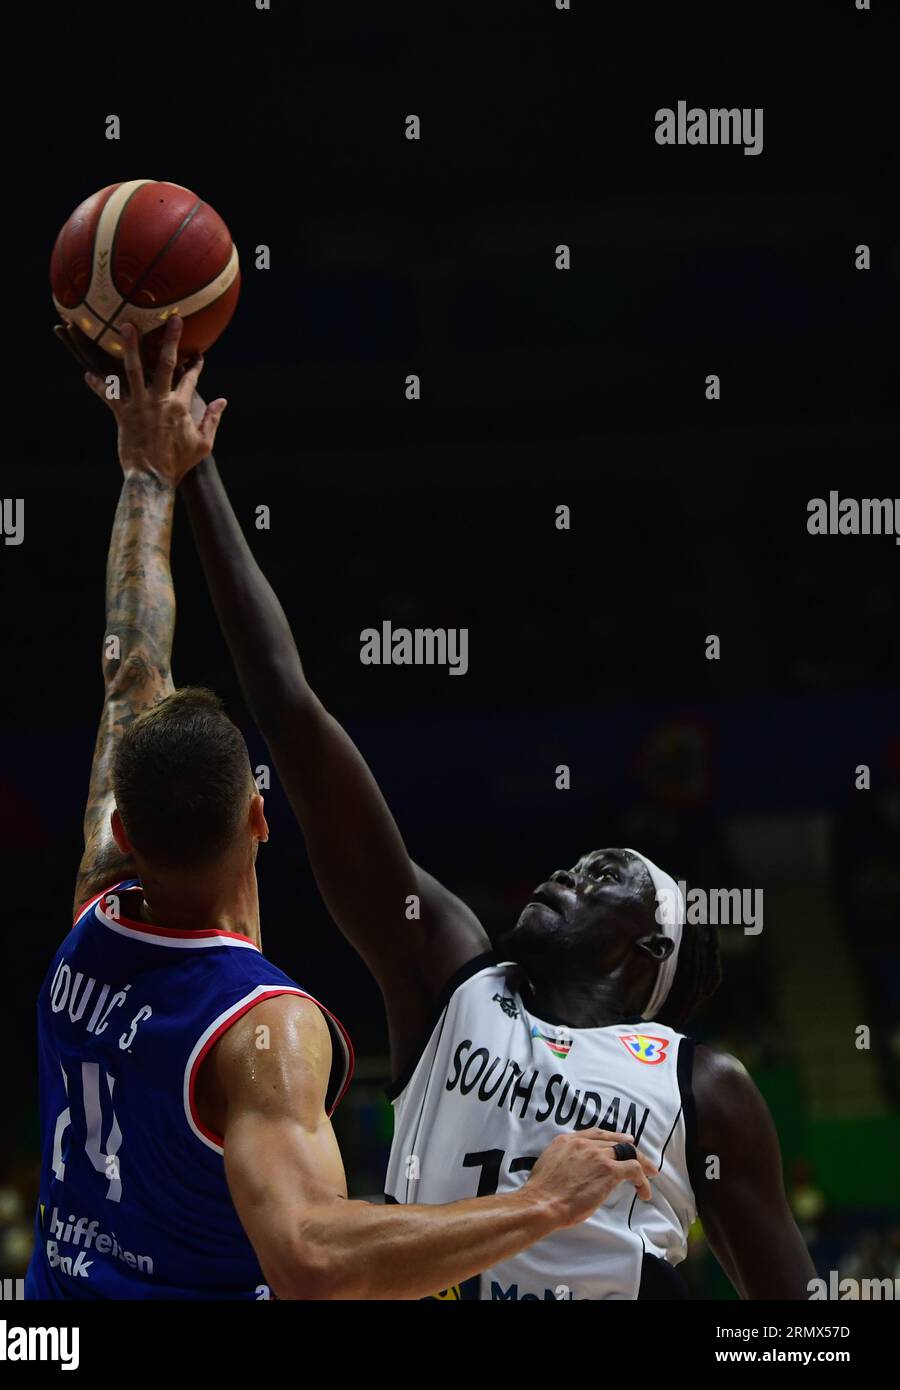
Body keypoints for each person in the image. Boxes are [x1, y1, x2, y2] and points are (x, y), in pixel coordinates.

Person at [27, 320, 658, 1300]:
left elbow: (131, 671)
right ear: (260, 821)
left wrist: (149, 472)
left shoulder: (92, 915)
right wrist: (545, 1200)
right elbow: (312, 1259)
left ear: (120, 831)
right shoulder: (262, 1030)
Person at [176, 382, 817, 1300]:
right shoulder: (449, 974)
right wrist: (195, 472)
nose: (567, 872)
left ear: (645, 951)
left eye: (602, 876)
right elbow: (292, 714)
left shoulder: (701, 1086)